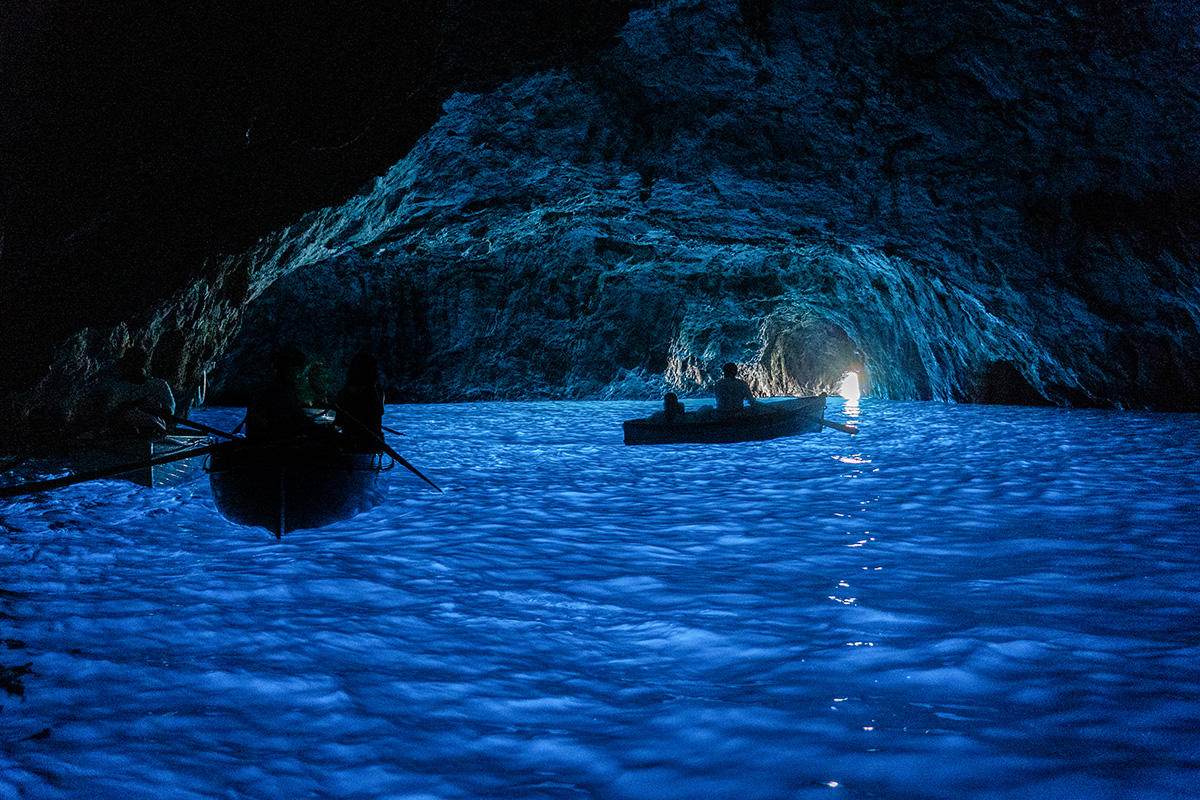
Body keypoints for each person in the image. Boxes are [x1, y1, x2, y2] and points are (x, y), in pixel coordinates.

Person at [245, 346, 319, 439]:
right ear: (289, 369)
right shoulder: (277, 391)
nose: (300, 373)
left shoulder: (271, 386)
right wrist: (320, 429)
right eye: (298, 368)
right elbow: (297, 419)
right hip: (269, 442)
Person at [102, 346, 176, 437]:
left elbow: (169, 411)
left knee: (149, 430)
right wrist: (135, 404)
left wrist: (153, 408)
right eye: (130, 361)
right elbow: (111, 415)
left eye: (137, 361)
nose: (134, 365)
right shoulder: (119, 387)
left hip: (154, 429)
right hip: (125, 431)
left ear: (143, 363)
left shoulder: (159, 385)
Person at [334, 352, 385, 451]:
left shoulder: (376, 392)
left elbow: (379, 411)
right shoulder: (345, 393)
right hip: (354, 441)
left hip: (368, 441)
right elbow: (339, 422)